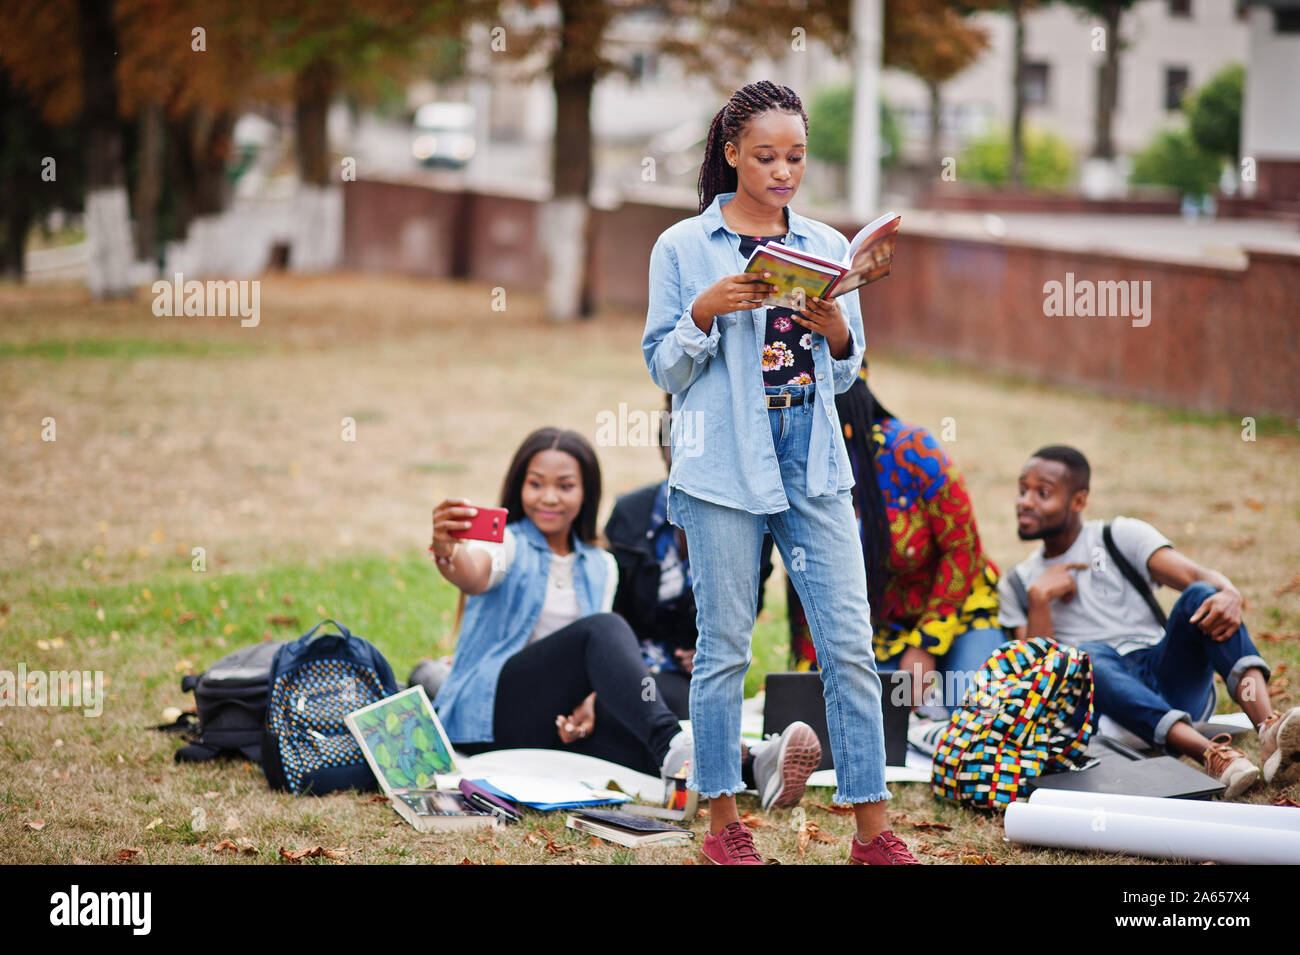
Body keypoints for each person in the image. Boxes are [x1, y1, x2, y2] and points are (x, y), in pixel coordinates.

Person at [643, 80, 917, 864]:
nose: (783, 170)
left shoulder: (829, 247)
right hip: (722, 463)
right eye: (765, 156)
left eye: (795, 156)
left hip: (813, 461)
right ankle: (724, 820)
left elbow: (843, 374)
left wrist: (835, 332)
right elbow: (663, 364)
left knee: (849, 645)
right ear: (731, 154)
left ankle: (872, 830)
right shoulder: (683, 247)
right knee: (725, 644)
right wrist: (704, 314)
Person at [430, 426, 818, 803]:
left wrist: (588, 706)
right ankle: (673, 744)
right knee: (606, 630)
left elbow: (593, 668)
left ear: (586, 492)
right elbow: (472, 573)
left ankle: (753, 767)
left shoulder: (602, 565)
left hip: (549, 724)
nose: (548, 497)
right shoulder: (507, 544)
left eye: (565, 486)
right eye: (536, 484)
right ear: (520, 486)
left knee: (635, 717)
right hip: (489, 718)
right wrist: (448, 551)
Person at [997, 445, 1300, 798]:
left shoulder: (1117, 536)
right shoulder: (1018, 584)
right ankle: (1210, 753)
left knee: (1202, 595)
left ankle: (1267, 730)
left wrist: (1229, 592)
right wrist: (1039, 600)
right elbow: (1035, 678)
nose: (1025, 501)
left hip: (1166, 678)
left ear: (1078, 501)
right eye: (1022, 490)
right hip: (1102, 706)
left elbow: (1197, 576)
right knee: (1085, 656)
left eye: (1042, 493)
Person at [786, 361, 1003, 717]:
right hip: (878, 636)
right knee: (845, 717)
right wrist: (804, 676)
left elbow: (962, 550)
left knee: (976, 715)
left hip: (956, 615)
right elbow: (806, 582)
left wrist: (927, 643)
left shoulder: (913, 451)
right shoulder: (801, 464)